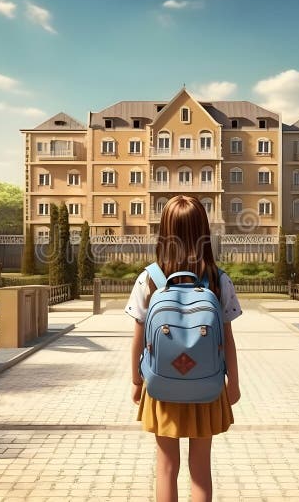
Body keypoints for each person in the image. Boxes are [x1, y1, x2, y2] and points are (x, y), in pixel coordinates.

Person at [126, 195, 242, 502]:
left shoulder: (148, 279)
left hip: (161, 383)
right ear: (204, 230)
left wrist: (137, 382)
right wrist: (235, 383)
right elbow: (227, 338)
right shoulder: (218, 279)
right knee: (201, 468)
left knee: (166, 467)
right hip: (208, 384)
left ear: (164, 232)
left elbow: (139, 337)